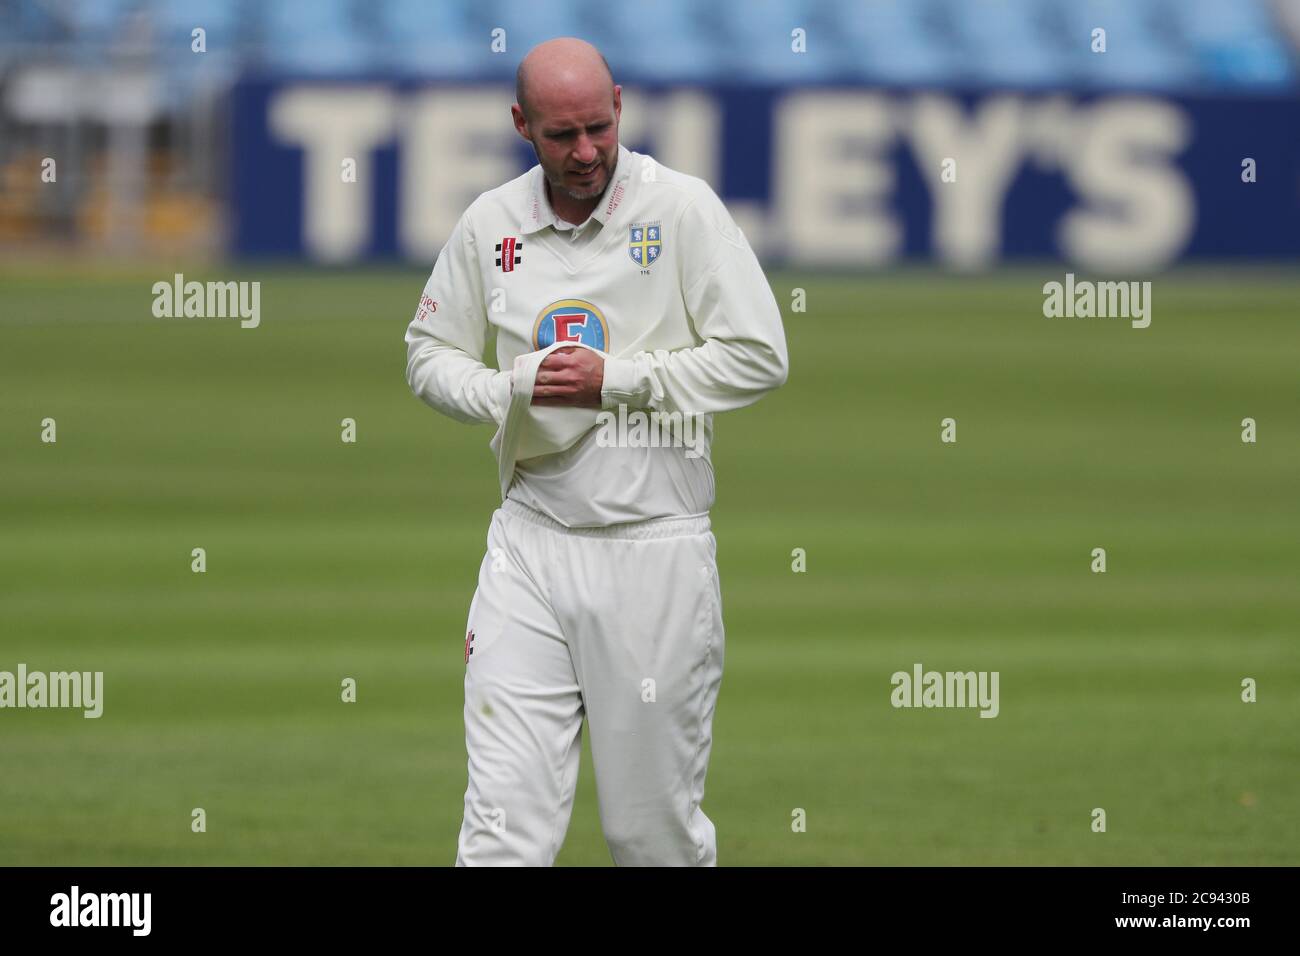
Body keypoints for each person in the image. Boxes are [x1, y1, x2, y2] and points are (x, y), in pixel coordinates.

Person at [404, 36, 788, 866]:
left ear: (619, 102)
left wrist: (616, 381)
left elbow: (761, 355)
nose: (585, 153)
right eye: (561, 135)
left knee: (649, 838)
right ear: (520, 125)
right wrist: (505, 392)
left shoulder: (681, 209)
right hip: (529, 544)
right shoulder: (491, 224)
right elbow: (427, 353)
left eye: (599, 128)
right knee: (501, 833)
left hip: (655, 547)